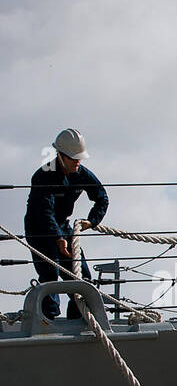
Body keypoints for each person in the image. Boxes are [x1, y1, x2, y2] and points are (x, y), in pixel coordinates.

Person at [24, 129, 108, 319]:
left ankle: (78, 319)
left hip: (62, 226)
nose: (77, 162)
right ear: (60, 156)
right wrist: (57, 238)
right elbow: (44, 212)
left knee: (82, 278)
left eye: (80, 158)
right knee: (50, 276)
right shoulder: (43, 176)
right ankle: (48, 320)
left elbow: (102, 198)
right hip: (39, 230)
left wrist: (92, 221)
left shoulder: (82, 174)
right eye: (73, 158)